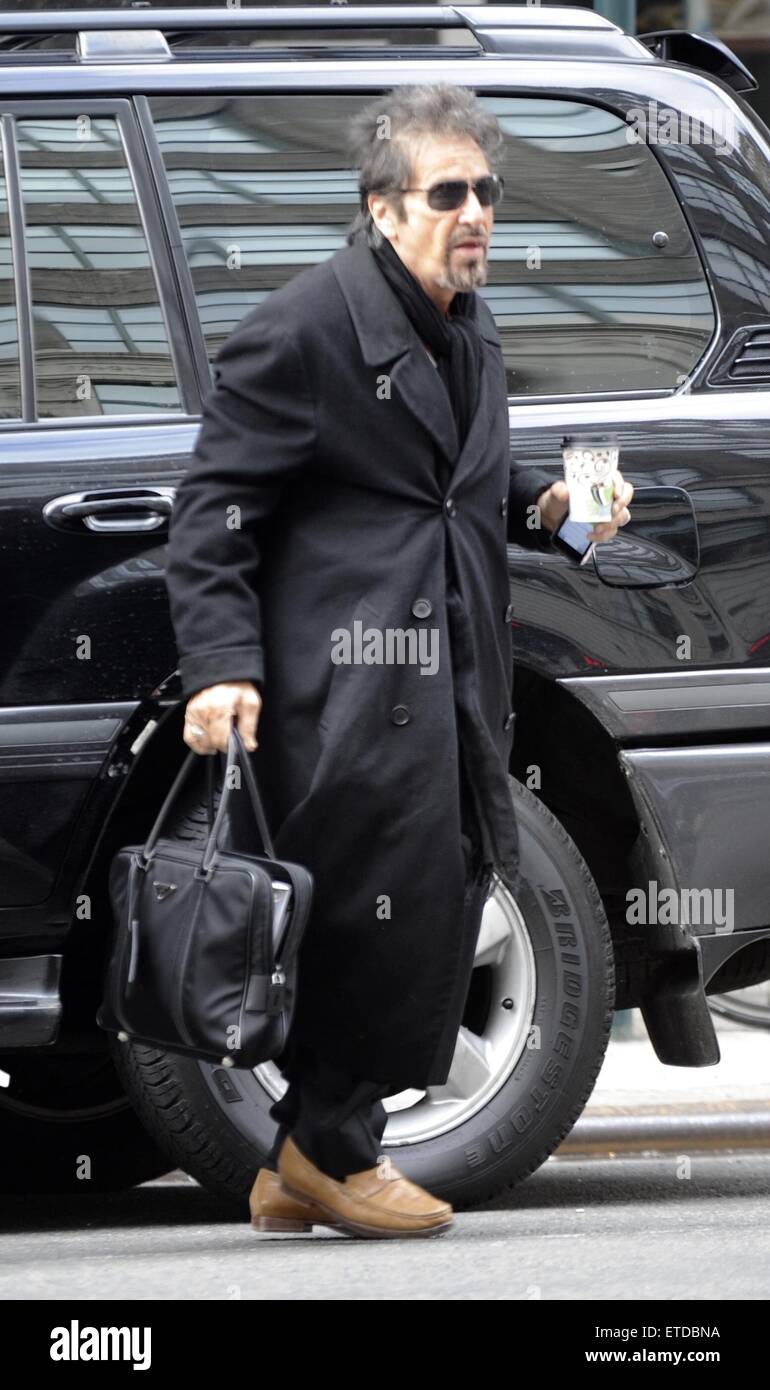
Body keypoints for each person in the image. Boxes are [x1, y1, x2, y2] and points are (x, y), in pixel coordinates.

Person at [163, 84, 633, 1239]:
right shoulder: (306, 328)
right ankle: (334, 1153)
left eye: (485, 190)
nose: (473, 211)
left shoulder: (465, 322)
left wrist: (561, 511)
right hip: (346, 691)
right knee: (375, 921)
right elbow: (213, 509)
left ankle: (292, 1166)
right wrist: (222, 664)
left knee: (438, 897)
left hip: (453, 679)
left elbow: (457, 490)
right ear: (382, 209)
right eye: (447, 193)